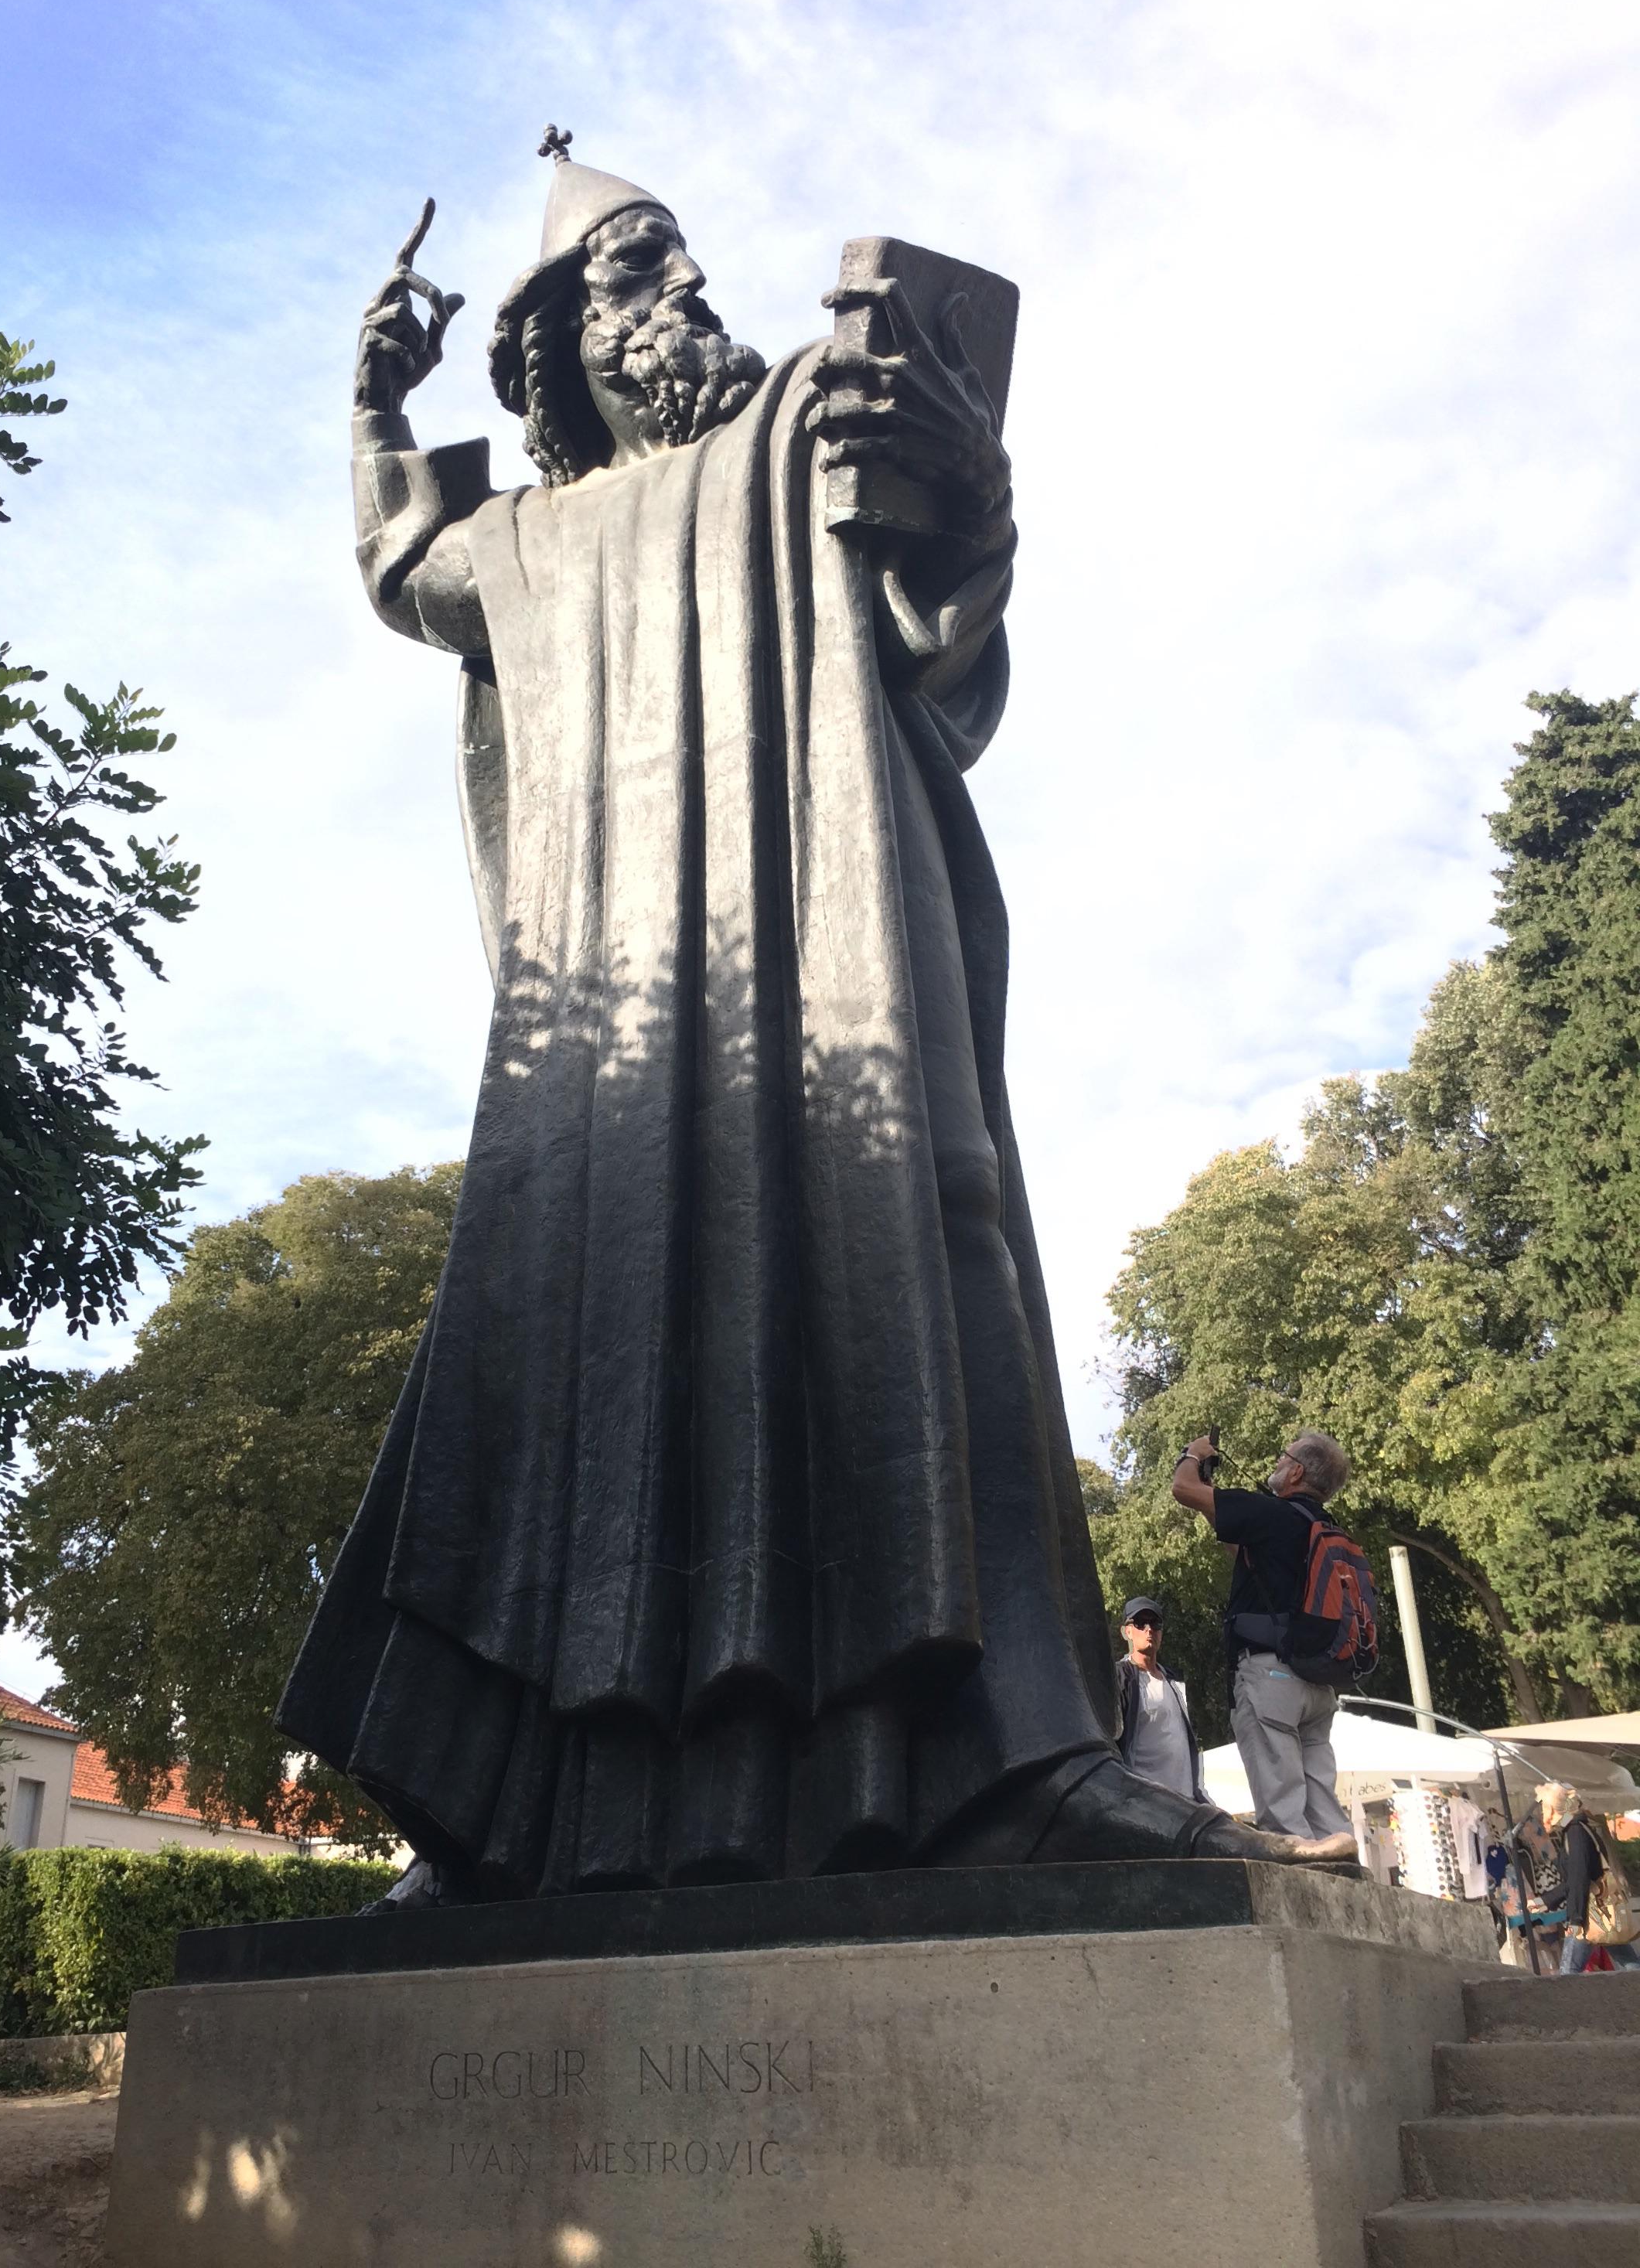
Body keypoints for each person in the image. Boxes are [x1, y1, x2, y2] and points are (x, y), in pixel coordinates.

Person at [278, 145, 1353, 1898]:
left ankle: (1007, 1764)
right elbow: (408, 564)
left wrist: (961, 488)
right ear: (558, 343)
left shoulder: (796, 431)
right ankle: (529, 1807)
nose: (687, 297)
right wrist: (369, 403)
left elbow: (932, 583)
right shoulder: (532, 547)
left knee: (913, 1282)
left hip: (838, 970)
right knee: (579, 1354)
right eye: (636, 274)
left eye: (686, 263)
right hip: (619, 1046)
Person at [1171, 1432, 1357, 1855]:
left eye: (1283, 1455)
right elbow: (1241, 1545)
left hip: (1269, 1679)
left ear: (1296, 1471)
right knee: (1322, 1804)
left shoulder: (1273, 1514)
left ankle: (1300, 1887)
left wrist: (1193, 1455)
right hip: (1318, 1681)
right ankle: (1345, 1867)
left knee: (1282, 1815)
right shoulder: (1323, 1528)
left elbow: (1184, 1488)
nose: (1277, 1459)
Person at [1539, 1782, 1640, 1974]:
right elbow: (1577, 1879)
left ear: (1554, 1810)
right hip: (1599, 1912)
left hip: (1587, 1914)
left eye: (1544, 1808)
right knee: (1630, 1964)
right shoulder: (1578, 1828)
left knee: (1567, 1976)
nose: (1542, 1814)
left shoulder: (1575, 1833)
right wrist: (1544, 1900)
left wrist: (1575, 1921)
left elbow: (1578, 1880)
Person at [1114, 1598, 1206, 1801]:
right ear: (1127, 1631)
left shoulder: (1174, 1681)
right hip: (1147, 1802)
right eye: (1140, 1623)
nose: (1149, 1630)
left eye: (1155, 1624)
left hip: (1187, 1800)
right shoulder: (1120, 1679)